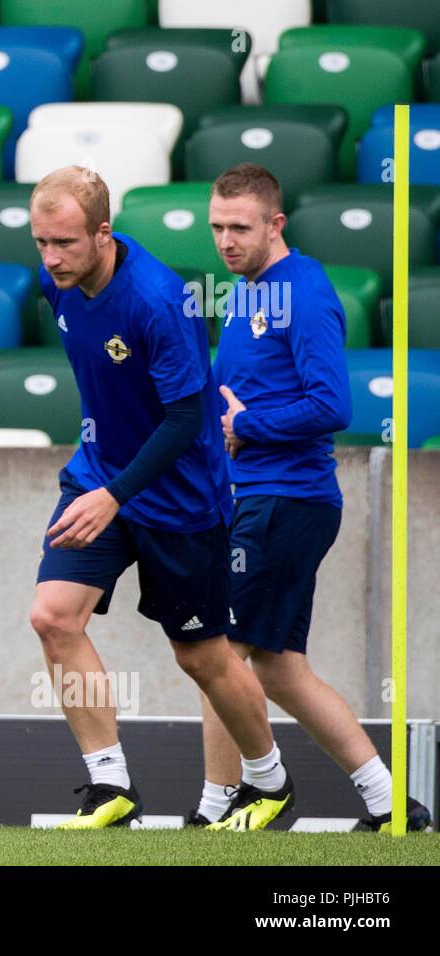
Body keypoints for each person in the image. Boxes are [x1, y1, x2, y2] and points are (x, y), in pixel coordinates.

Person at [27, 165, 294, 830]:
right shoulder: (55, 282)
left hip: (179, 499)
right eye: (41, 244)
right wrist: (105, 484)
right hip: (99, 477)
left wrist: (116, 496)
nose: (51, 259)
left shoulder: (157, 301)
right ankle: (110, 786)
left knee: (201, 655)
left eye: (64, 243)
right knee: (54, 617)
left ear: (104, 233)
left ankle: (270, 780)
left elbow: (182, 420)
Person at [196, 162, 431, 832]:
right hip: (265, 497)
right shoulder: (244, 293)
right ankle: (393, 807)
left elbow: (333, 403)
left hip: (285, 497)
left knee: (217, 652)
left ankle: (222, 806)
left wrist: (247, 426)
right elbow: (230, 394)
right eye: (217, 227)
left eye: (239, 227)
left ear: (277, 224)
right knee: (278, 666)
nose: (225, 241)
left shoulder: (305, 291)